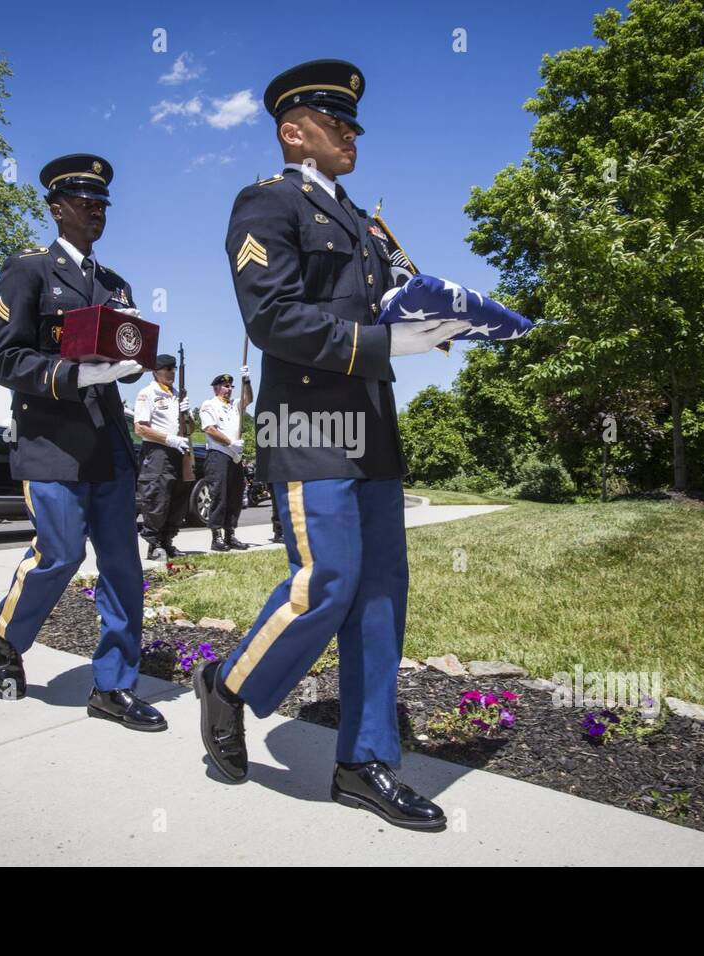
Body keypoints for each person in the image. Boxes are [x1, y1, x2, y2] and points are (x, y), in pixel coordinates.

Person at [193, 60, 471, 829]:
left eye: (352, 123)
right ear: (294, 131)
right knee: (328, 580)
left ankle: (364, 762)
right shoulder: (267, 204)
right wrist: (387, 346)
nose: (351, 133)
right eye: (336, 121)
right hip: (308, 424)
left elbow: (394, 300)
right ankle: (229, 684)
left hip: (372, 429)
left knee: (381, 596)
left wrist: (443, 325)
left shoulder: (366, 224)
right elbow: (272, 319)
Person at [0, 152, 167, 733]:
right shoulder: (28, 270)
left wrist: (127, 359)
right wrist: (71, 374)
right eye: (84, 201)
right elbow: (4, 357)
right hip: (51, 441)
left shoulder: (116, 284)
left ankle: (113, 686)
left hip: (108, 442)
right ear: (56, 209)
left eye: (102, 203)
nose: (95, 210)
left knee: (121, 566)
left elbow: (129, 358)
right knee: (60, 554)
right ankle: (5, 635)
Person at [133, 353, 191, 560]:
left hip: (179, 452)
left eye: (173, 370)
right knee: (157, 498)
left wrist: (188, 415)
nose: (171, 374)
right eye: (167, 370)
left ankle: (168, 541)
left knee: (178, 499)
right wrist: (169, 439)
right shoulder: (147, 393)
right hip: (158, 452)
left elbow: (190, 428)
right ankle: (154, 544)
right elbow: (140, 428)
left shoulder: (178, 394)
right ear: (156, 371)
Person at [198, 371, 249, 552]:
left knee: (235, 495)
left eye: (231, 386)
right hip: (219, 454)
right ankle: (216, 536)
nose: (229, 389)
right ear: (216, 388)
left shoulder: (234, 405)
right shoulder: (209, 404)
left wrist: (247, 381)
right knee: (220, 495)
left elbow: (247, 399)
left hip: (234, 456)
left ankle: (230, 533)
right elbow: (210, 429)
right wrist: (230, 443)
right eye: (226, 386)